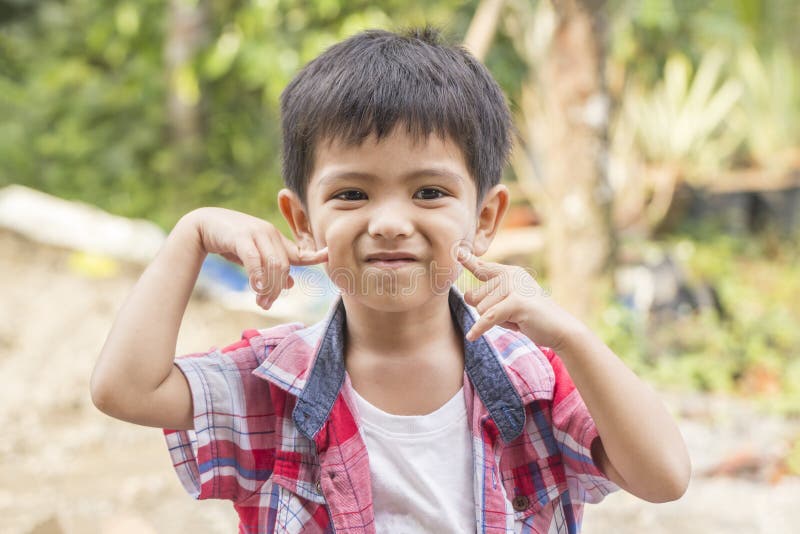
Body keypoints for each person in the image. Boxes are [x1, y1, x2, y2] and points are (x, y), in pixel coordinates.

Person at [90, 27, 691, 533]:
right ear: (301, 222)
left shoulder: (530, 378)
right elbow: (124, 389)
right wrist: (190, 236)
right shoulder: (274, 383)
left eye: (429, 192)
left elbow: (663, 476)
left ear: (485, 220)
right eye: (352, 194)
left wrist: (575, 339)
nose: (390, 223)